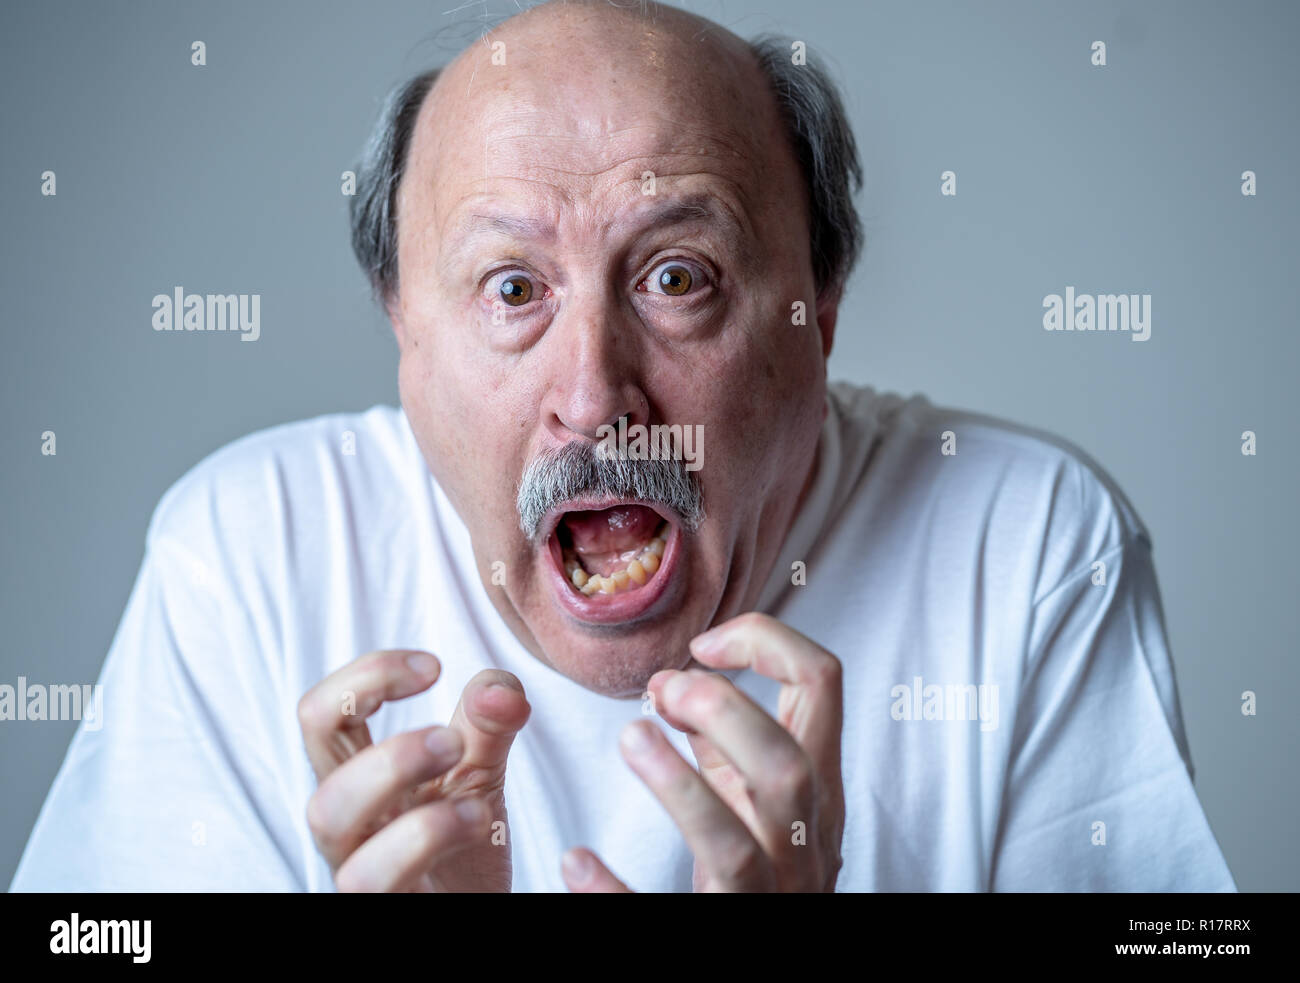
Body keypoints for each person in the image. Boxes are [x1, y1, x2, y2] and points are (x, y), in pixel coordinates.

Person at [11, 0, 1234, 892]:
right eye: (509, 288)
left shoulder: (1026, 541)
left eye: (675, 275)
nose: (593, 397)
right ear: (404, 330)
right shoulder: (246, 547)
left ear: (820, 303)